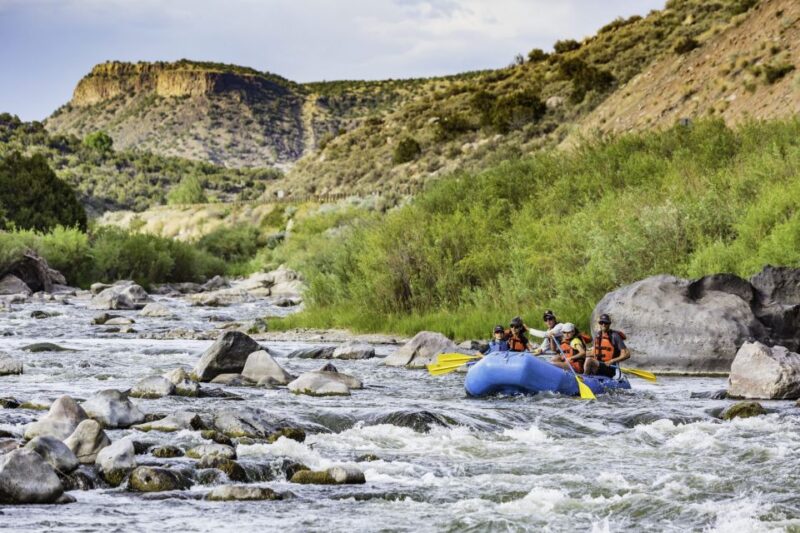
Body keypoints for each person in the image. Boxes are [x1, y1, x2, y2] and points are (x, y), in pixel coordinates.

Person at [584, 313, 630, 378]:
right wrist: (580, 355)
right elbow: (593, 352)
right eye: (601, 322)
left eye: (606, 323)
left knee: (590, 361)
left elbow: (627, 354)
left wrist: (612, 361)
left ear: (609, 324)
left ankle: (584, 379)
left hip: (609, 367)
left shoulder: (614, 336)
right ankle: (587, 377)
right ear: (599, 323)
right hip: (599, 365)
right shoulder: (598, 335)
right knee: (586, 359)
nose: (603, 324)